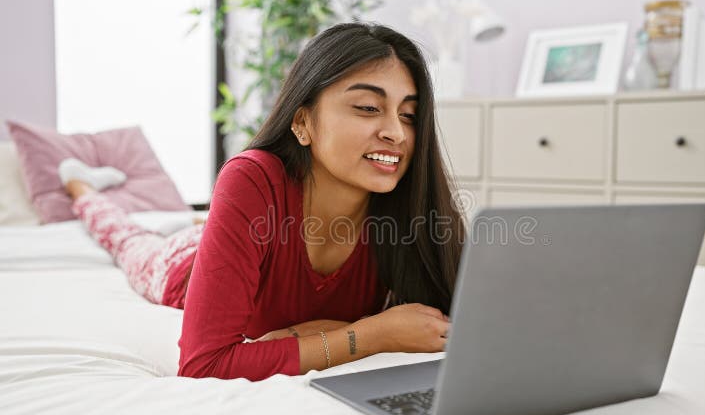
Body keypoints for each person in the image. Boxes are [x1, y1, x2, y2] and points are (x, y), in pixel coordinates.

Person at [59, 22, 465, 382]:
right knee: (124, 236)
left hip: (250, 236)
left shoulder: (405, 206)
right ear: (302, 122)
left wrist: (317, 332)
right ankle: (84, 188)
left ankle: (203, 223)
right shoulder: (251, 177)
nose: (396, 132)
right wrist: (369, 335)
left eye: (409, 115)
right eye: (368, 108)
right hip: (183, 264)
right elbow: (204, 364)